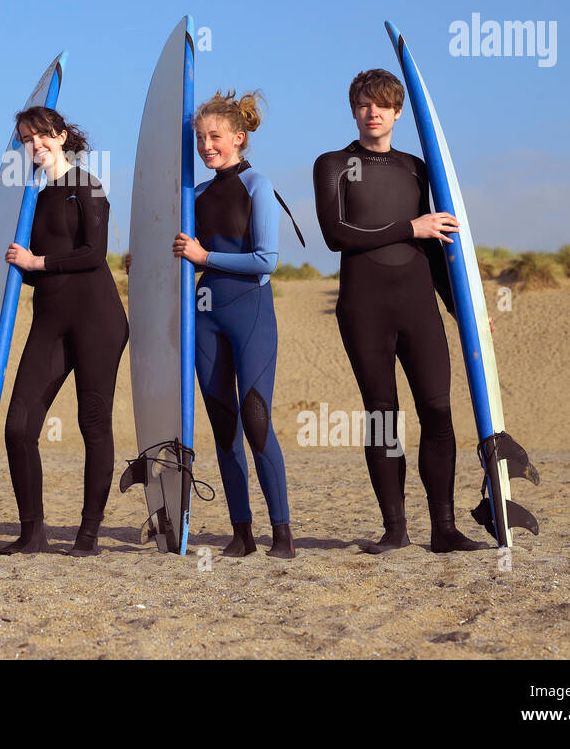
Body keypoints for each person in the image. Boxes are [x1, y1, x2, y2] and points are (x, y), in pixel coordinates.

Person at [312, 68, 487, 554]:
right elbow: (337, 235)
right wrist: (411, 226)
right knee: (383, 415)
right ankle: (395, 528)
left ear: (397, 112)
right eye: (365, 105)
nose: (373, 113)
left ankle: (444, 529)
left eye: (383, 105)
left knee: (437, 411)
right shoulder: (332, 164)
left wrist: (462, 311)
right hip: (364, 307)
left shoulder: (416, 167)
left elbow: (437, 247)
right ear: (354, 110)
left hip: (418, 305)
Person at [0, 107, 128, 557]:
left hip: (98, 319)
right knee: (17, 427)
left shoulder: (86, 185)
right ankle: (32, 533)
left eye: (43, 136)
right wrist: (11, 260)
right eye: (27, 139)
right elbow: (39, 272)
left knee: (92, 423)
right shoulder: (32, 197)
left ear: (62, 136)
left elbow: (94, 253)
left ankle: (88, 535)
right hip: (50, 319)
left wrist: (36, 262)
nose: (36, 145)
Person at [177, 90, 296, 559]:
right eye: (201, 138)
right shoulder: (197, 195)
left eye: (216, 136)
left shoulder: (257, 185)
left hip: (250, 312)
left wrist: (205, 256)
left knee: (255, 418)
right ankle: (241, 531)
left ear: (239, 138)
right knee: (223, 425)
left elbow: (267, 259)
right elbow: (182, 255)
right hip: (204, 317)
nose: (207, 145)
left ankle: (282, 531)